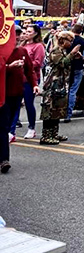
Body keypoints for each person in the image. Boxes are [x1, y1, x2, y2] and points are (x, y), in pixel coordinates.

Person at [0, 31, 38, 171]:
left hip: (16, 94)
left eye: (17, 35)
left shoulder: (22, 51)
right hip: (2, 95)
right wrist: (9, 67)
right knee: (3, 127)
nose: (16, 38)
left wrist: (34, 84)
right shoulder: (2, 51)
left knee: (8, 125)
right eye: (13, 35)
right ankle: (4, 159)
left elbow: (30, 69)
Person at [41, 30, 82, 145]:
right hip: (52, 86)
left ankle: (54, 133)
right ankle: (46, 135)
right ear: (62, 41)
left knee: (58, 111)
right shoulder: (55, 51)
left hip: (61, 85)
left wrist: (74, 57)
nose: (72, 43)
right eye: (70, 40)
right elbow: (61, 63)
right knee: (50, 111)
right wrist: (72, 54)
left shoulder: (63, 51)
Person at [10, 23, 45, 140]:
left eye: (29, 32)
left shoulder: (38, 46)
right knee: (15, 105)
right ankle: (11, 130)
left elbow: (37, 63)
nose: (26, 34)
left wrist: (24, 63)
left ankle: (31, 127)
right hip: (18, 78)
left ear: (35, 34)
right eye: (25, 32)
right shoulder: (21, 46)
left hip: (30, 78)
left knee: (29, 103)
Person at [64, 23, 84, 122]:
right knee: (73, 91)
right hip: (78, 66)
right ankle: (68, 114)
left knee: (65, 89)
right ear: (81, 30)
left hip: (66, 66)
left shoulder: (67, 40)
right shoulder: (83, 41)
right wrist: (83, 58)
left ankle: (61, 111)